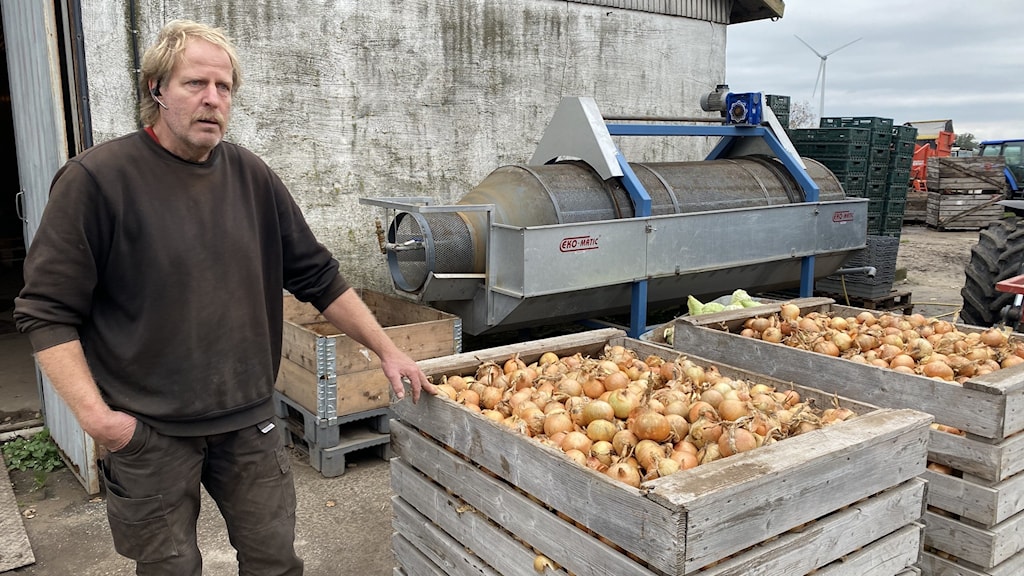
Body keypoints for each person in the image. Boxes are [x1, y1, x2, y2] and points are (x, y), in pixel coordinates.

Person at [13, 19, 435, 576]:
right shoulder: (97, 180)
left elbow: (318, 276)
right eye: (195, 84)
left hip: (250, 422)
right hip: (149, 434)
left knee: (274, 562)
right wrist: (101, 423)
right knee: (169, 568)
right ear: (157, 89)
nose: (213, 99)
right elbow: (46, 313)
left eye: (224, 87)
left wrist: (388, 350)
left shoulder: (253, 177)